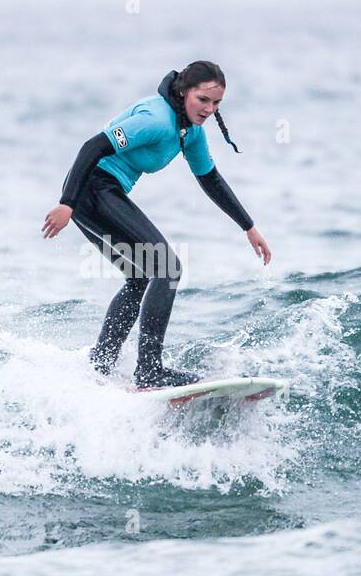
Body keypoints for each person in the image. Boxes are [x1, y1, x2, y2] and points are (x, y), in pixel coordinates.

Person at [41, 61, 272, 388]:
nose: (209, 109)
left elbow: (210, 179)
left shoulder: (189, 132)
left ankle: (100, 365)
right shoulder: (156, 120)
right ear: (184, 92)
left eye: (217, 103)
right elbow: (92, 147)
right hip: (91, 189)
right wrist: (67, 202)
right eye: (203, 99)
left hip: (104, 191)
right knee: (167, 267)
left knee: (141, 277)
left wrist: (248, 227)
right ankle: (150, 369)